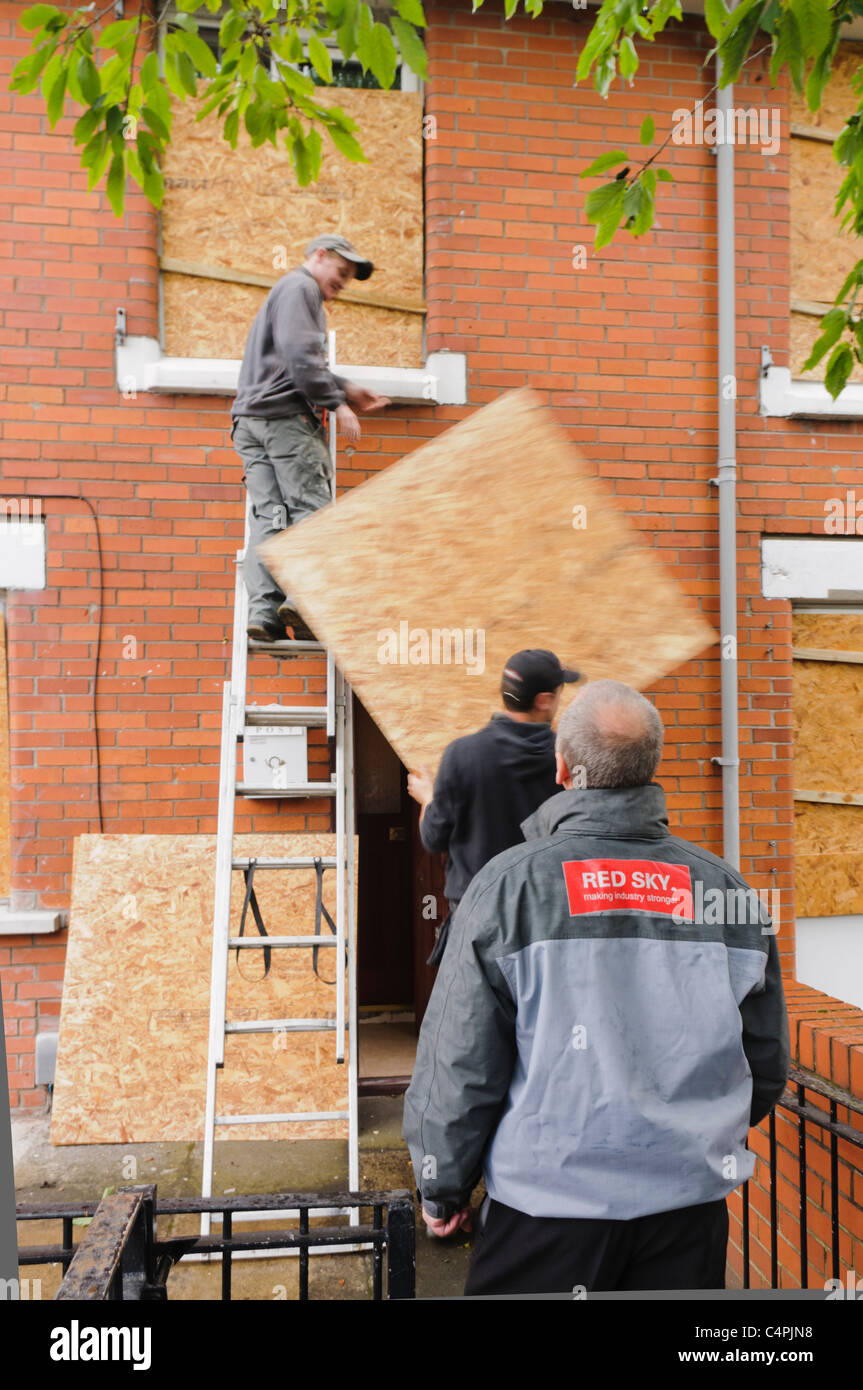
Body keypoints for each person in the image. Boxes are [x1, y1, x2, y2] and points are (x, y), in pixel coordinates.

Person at [402, 679, 790, 1294]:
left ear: (562, 768)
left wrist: (442, 1186)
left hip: (545, 1212)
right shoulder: (729, 894)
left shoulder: (508, 889)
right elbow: (763, 1064)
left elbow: (461, 1062)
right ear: (652, 768)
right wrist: (690, 1137)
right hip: (686, 1213)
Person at [231, 233, 390, 643]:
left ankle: (263, 612)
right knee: (313, 512)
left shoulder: (285, 292)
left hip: (250, 421)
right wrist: (336, 403)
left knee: (270, 517)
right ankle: (303, 604)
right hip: (286, 422)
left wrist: (347, 386)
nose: (342, 283)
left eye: (348, 278)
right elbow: (302, 359)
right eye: (340, 272)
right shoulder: (302, 289)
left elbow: (290, 360)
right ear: (319, 256)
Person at [407, 649, 580, 965]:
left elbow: (433, 839)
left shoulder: (462, 755)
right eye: (558, 694)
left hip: (477, 921)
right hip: (546, 923)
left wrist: (427, 798)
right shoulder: (567, 759)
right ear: (543, 700)